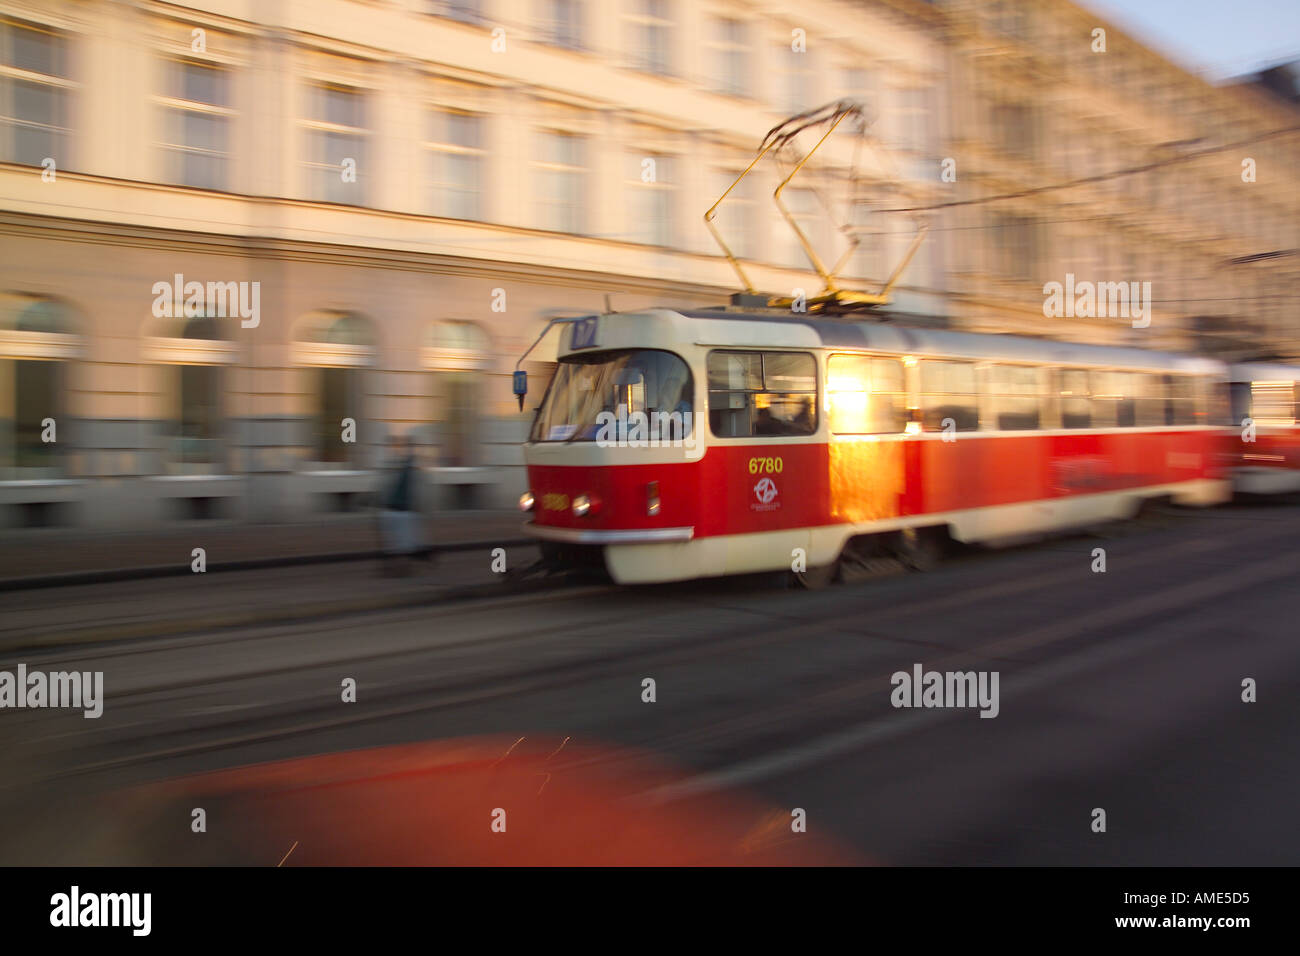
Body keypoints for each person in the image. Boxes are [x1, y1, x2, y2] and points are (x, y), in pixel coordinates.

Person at [378, 434, 423, 576]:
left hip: (396, 510)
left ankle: (399, 570)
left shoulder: (403, 466)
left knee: (399, 543)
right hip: (395, 511)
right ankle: (398, 570)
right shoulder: (399, 467)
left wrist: (408, 446)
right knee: (398, 543)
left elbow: (408, 459)